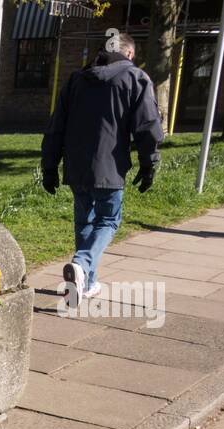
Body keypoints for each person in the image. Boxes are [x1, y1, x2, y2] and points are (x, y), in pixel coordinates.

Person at [41, 31, 162, 306]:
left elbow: (55, 127)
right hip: (110, 166)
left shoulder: (76, 80)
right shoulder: (136, 78)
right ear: (129, 53)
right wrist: (149, 163)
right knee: (108, 221)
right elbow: (148, 126)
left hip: (76, 167)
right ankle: (82, 265)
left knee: (85, 222)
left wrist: (49, 166)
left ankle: (85, 284)